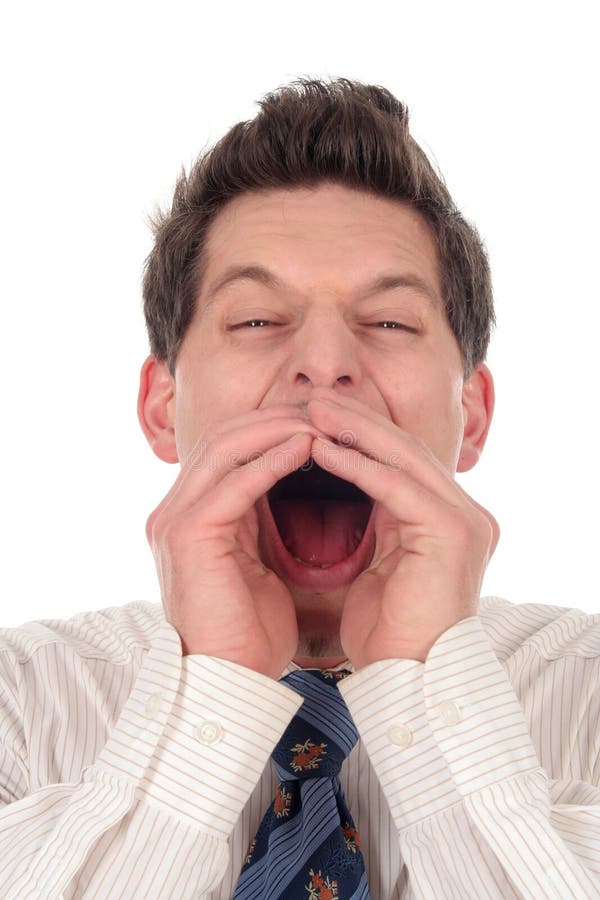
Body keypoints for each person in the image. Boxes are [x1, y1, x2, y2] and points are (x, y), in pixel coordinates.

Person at [1, 77, 599, 899]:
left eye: (389, 322)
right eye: (255, 321)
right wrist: (207, 686)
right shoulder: (19, 708)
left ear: (471, 415)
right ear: (163, 406)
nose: (325, 364)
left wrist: (428, 678)